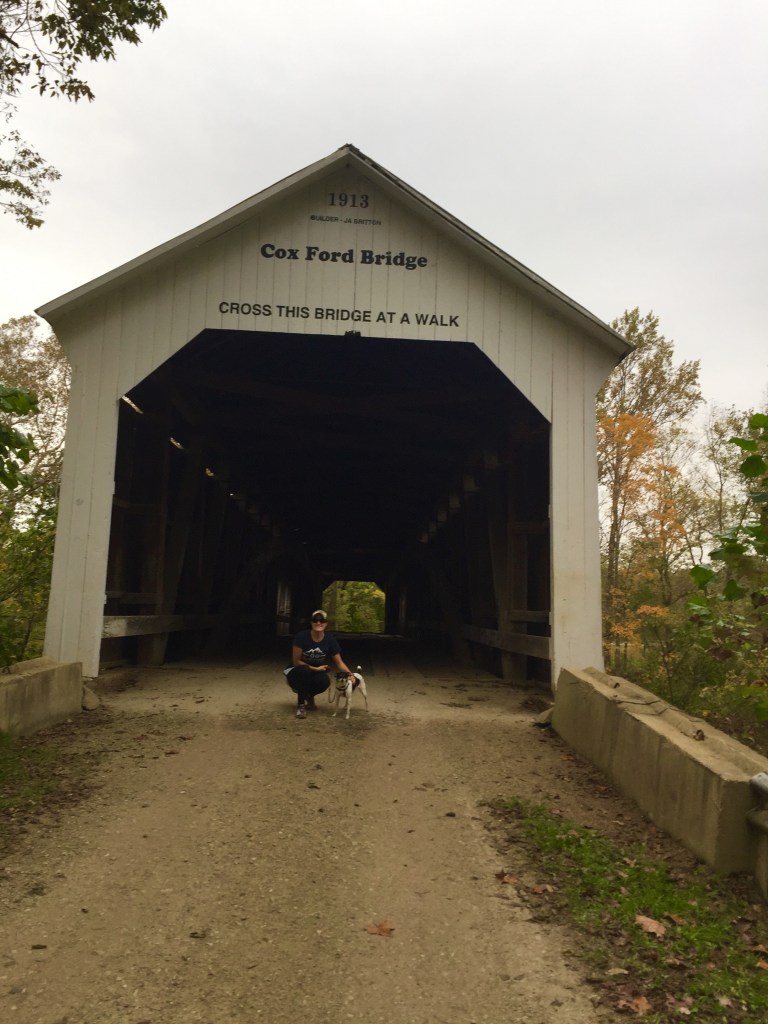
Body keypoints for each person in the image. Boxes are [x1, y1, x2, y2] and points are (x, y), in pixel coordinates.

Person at [284, 610, 356, 719]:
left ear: (326, 623)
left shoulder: (329, 639)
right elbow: (296, 662)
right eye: (315, 620)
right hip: (296, 672)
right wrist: (316, 669)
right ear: (311, 622)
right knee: (305, 670)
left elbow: (339, 662)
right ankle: (301, 705)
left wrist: (350, 674)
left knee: (324, 681)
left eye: (322, 620)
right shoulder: (301, 637)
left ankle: (309, 695)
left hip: (313, 673)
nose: (318, 623)